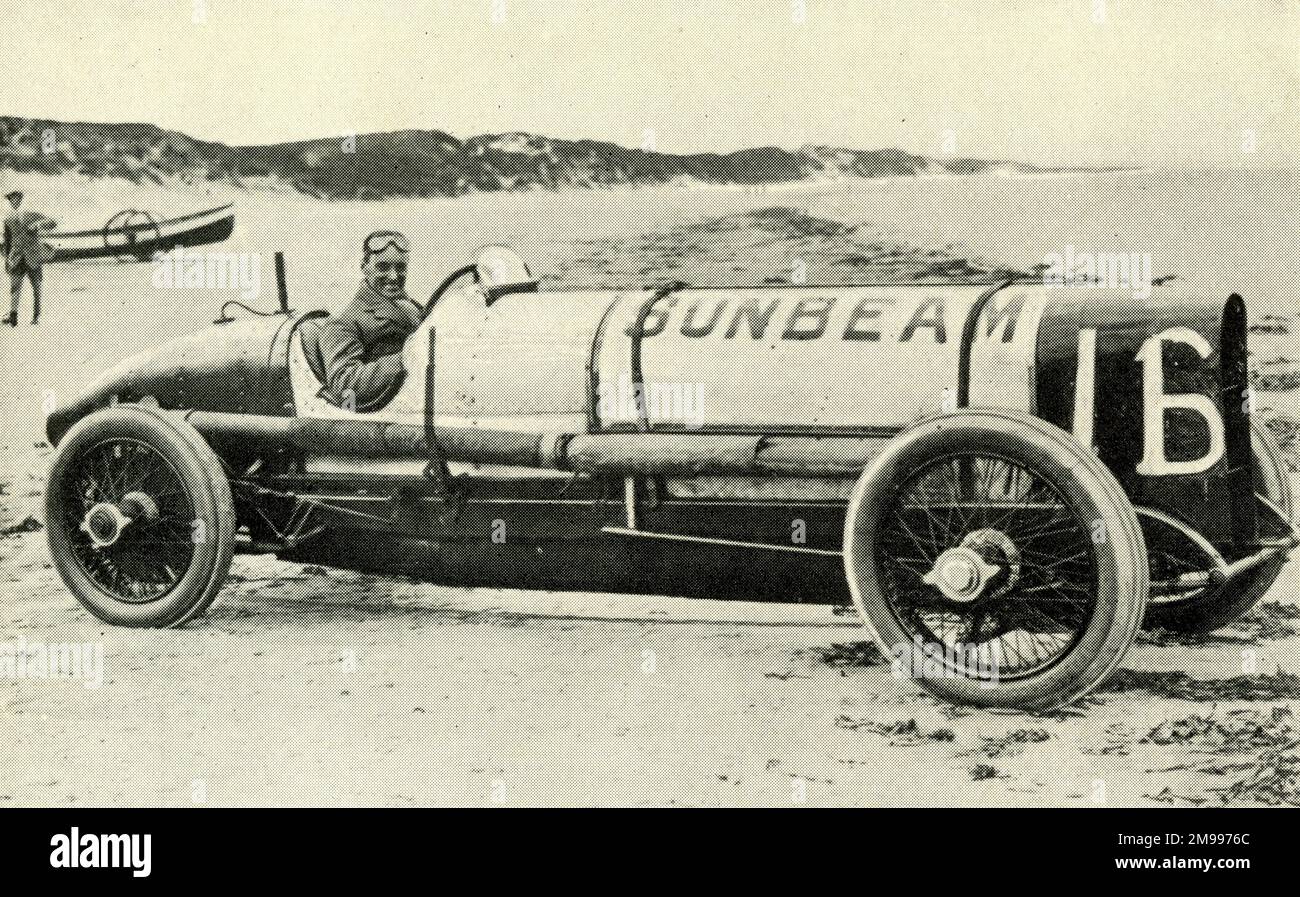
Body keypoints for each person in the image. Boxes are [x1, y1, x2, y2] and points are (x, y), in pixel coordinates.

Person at [318, 230, 425, 411]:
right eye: (382, 267)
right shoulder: (343, 322)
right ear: (364, 267)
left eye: (400, 267)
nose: (394, 276)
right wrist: (407, 358)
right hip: (389, 418)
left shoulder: (412, 309)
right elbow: (345, 392)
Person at [3, 190, 57, 326]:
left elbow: (52, 223)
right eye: (11, 199)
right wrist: (7, 260)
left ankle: (36, 316)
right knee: (15, 287)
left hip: (33, 257)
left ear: (21, 199)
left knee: (36, 286)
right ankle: (13, 316)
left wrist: (38, 225)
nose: (14, 201)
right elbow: (7, 240)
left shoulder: (33, 215)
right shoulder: (7, 219)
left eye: (16, 198)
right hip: (16, 257)